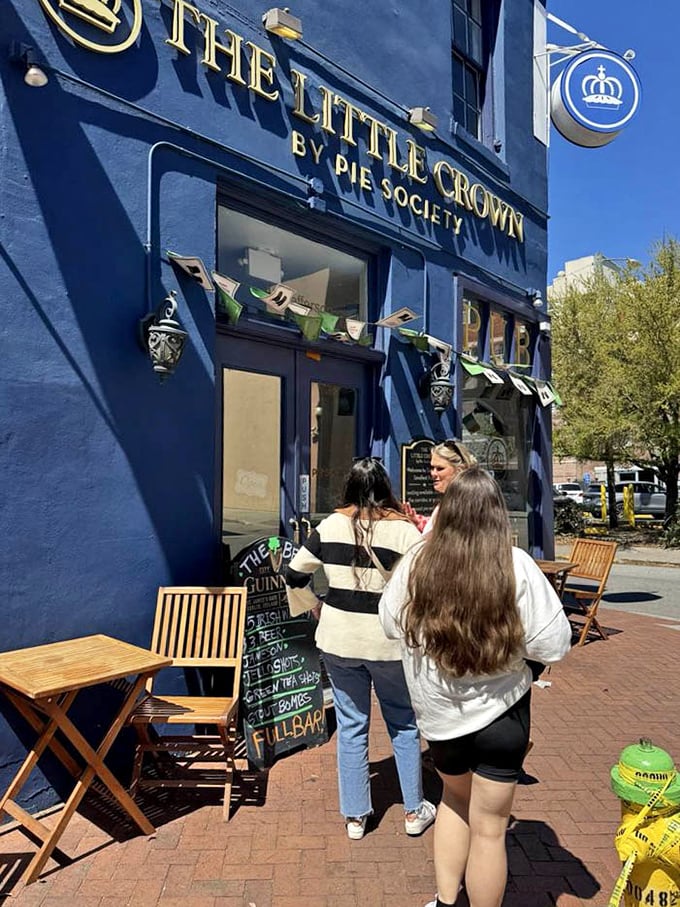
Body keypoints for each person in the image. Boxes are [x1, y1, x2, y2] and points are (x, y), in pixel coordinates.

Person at [379, 467, 572, 907]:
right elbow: (555, 643)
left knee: (452, 802)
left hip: (443, 717)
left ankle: (447, 901)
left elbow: (390, 624)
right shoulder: (515, 564)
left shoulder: (417, 563)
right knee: (490, 827)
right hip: (504, 714)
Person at [284, 457, 436, 841]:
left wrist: (315, 606)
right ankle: (414, 810)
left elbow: (292, 573)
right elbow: (427, 586)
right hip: (387, 641)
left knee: (352, 726)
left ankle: (355, 816)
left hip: (338, 638)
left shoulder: (330, 525)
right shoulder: (403, 532)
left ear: (349, 487)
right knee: (402, 723)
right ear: (385, 487)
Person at [404, 439, 477, 533]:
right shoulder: (446, 501)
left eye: (440, 468)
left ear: (459, 470)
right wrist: (418, 522)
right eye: (432, 468)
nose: (433, 473)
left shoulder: (465, 505)